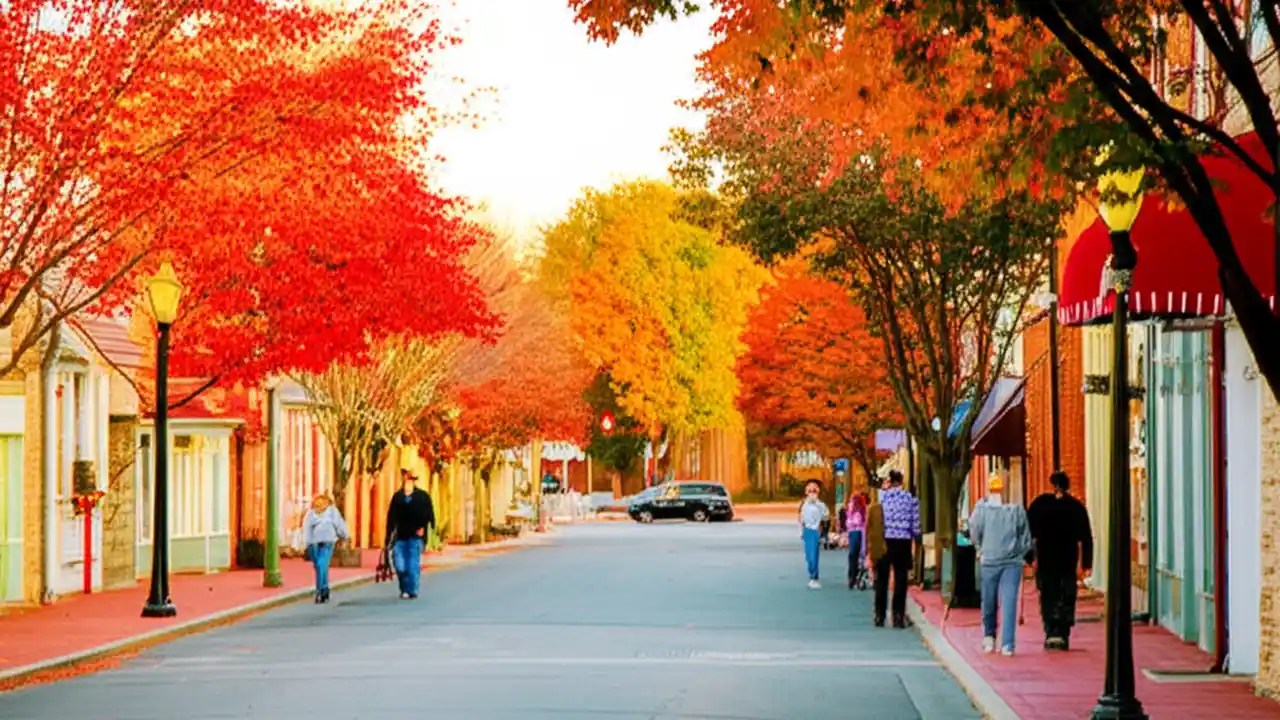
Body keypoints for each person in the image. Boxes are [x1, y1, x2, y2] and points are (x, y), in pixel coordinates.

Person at [1027, 471, 1094, 650]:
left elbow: (1029, 534)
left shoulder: (1039, 505)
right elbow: (1085, 537)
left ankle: (1051, 630)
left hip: (1046, 558)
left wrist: (1030, 558)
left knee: (1048, 594)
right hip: (1068, 559)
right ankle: (1063, 632)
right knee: (1067, 595)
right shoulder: (1076, 508)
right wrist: (1085, 563)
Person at [969, 474, 1034, 656]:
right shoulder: (1016, 510)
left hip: (989, 561)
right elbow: (1026, 537)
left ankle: (989, 637)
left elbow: (974, 532)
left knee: (989, 601)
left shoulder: (981, 510)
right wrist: (1019, 552)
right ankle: (1007, 643)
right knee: (1009, 601)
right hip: (1012, 562)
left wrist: (980, 548)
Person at [874, 470, 921, 628]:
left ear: (890, 481)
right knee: (901, 579)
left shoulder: (882, 498)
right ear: (901, 482)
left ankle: (879, 615)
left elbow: (877, 519)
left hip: (885, 540)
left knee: (882, 579)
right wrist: (915, 536)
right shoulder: (910, 500)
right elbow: (915, 525)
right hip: (903, 541)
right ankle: (898, 616)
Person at [384, 468, 436, 599]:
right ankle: (404, 587)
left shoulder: (422, 497)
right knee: (400, 565)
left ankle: (411, 590)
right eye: (405, 478)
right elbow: (391, 518)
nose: (406, 481)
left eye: (409, 478)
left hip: (415, 537)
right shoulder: (398, 497)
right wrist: (388, 537)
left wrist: (425, 529)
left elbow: (429, 515)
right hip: (399, 537)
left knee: (412, 565)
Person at [303, 493, 350, 604]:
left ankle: (319, 591)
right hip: (313, 544)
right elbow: (306, 528)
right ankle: (325, 588)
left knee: (320, 565)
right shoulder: (311, 514)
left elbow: (339, 525)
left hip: (327, 543)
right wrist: (306, 543)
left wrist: (344, 535)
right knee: (320, 567)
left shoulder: (332, 512)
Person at [799, 479, 830, 589]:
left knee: (814, 555)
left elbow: (826, 516)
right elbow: (801, 518)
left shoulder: (821, 504)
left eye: (814, 490)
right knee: (808, 555)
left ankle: (814, 577)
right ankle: (811, 574)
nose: (812, 492)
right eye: (810, 490)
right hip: (807, 530)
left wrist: (817, 504)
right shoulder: (804, 504)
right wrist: (801, 532)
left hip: (815, 530)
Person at [845, 493, 869, 590]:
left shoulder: (860, 511)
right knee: (855, 556)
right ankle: (854, 577)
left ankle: (854, 577)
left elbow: (854, 522)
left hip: (857, 533)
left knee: (854, 555)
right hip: (855, 533)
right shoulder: (856, 510)